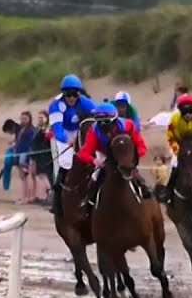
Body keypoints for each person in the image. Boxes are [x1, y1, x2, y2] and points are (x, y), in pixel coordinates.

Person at [78, 101, 150, 209]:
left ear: (114, 119)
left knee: (133, 173)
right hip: (105, 155)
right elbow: (83, 153)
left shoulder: (128, 125)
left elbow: (140, 145)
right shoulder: (94, 131)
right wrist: (94, 161)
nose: (102, 125)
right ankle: (90, 200)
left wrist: (133, 157)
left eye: (105, 122)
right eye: (99, 121)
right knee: (96, 176)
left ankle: (144, 190)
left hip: (124, 154)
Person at [47, 74, 98, 213]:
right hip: (64, 133)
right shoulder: (55, 106)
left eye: (75, 94)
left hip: (80, 131)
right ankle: (57, 200)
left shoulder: (85, 102)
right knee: (66, 163)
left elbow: (99, 113)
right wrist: (66, 139)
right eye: (68, 95)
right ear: (63, 94)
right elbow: (57, 129)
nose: (71, 98)